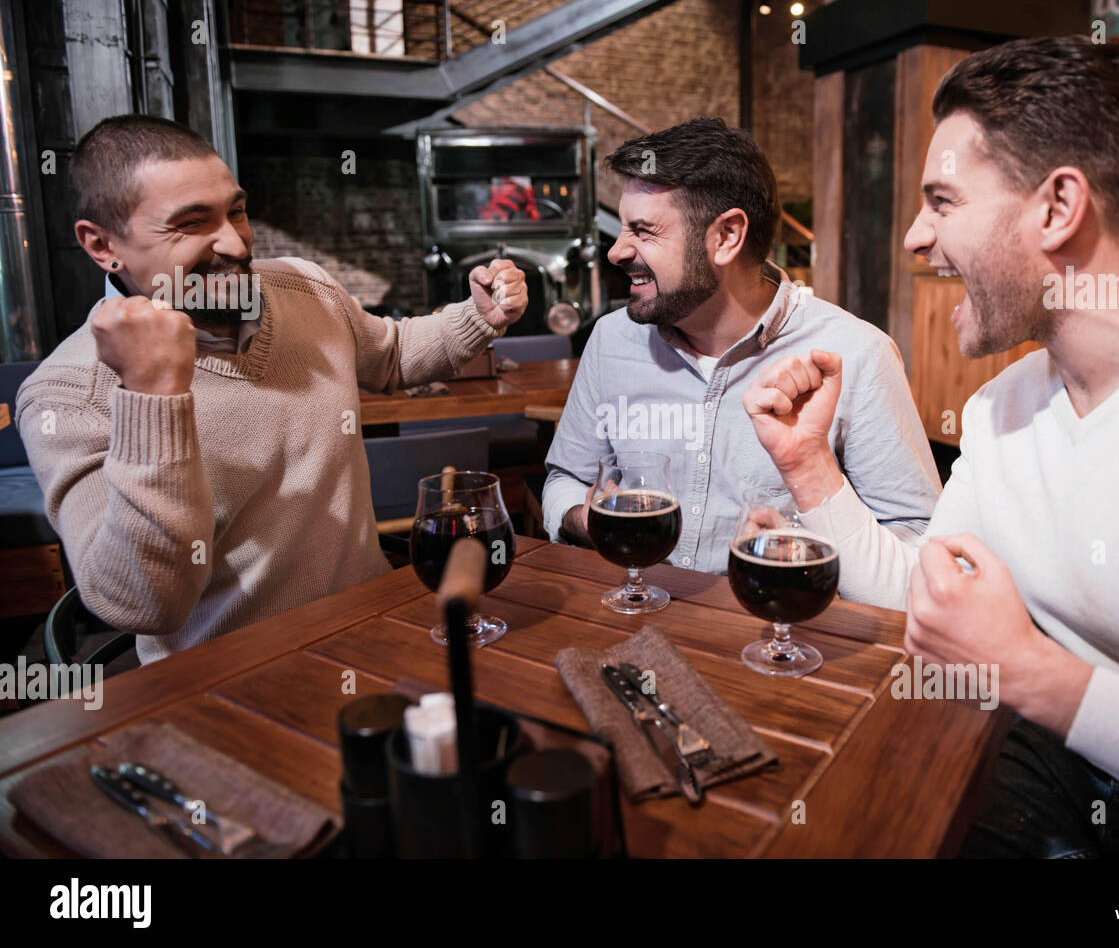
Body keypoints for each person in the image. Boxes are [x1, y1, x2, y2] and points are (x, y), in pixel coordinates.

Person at [743, 37, 1119, 857]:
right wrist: (809, 466)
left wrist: (1035, 675)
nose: (914, 237)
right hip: (1045, 776)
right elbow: (931, 597)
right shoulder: (1004, 404)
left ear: (1057, 207)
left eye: (942, 200)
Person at [16, 114, 527, 664]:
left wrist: (477, 316)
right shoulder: (68, 394)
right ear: (101, 244)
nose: (235, 243)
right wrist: (153, 397)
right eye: (191, 223)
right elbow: (145, 606)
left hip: (375, 626)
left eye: (235, 210)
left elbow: (392, 353)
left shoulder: (302, 286)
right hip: (227, 680)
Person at [542, 118, 939, 592]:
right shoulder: (611, 339)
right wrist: (583, 519)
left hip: (772, 633)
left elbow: (916, 541)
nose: (617, 251)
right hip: (630, 616)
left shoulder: (855, 353)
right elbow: (564, 477)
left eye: (643, 231)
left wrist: (814, 550)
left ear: (726, 236)